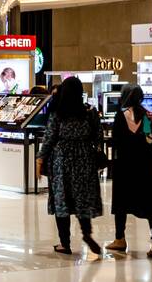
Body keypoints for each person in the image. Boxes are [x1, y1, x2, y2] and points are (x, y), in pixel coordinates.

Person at [36, 75, 104, 259]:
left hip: (61, 160)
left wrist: (40, 159)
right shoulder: (90, 112)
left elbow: (49, 138)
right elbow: (98, 137)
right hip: (84, 159)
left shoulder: (58, 113)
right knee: (82, 199)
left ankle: (64, 243)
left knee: (62, 201)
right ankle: (87, 234)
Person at [106, 84, 152, 258]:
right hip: (147, 166)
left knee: (121, 204)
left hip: (125, 167)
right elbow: (149, 141)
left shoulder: (121, 116)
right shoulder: (148, 117)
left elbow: (116, 141)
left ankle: (120, 239)